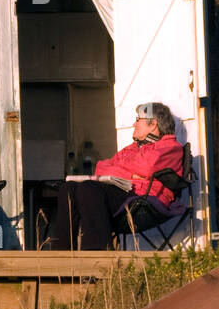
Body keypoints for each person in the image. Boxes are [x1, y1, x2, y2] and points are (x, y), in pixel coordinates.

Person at [44, 102, 185, 250]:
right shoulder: (132, 149)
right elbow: (101, 168)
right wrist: (133, 173)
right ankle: (60, 258)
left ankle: (98, 258)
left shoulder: (170, 147)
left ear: (153, 124)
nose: (133, 124)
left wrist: (121, 168)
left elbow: (148, 167)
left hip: (144, 198)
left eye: (138, 120)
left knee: (89, 188)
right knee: (68, 189)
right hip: (123, 191)